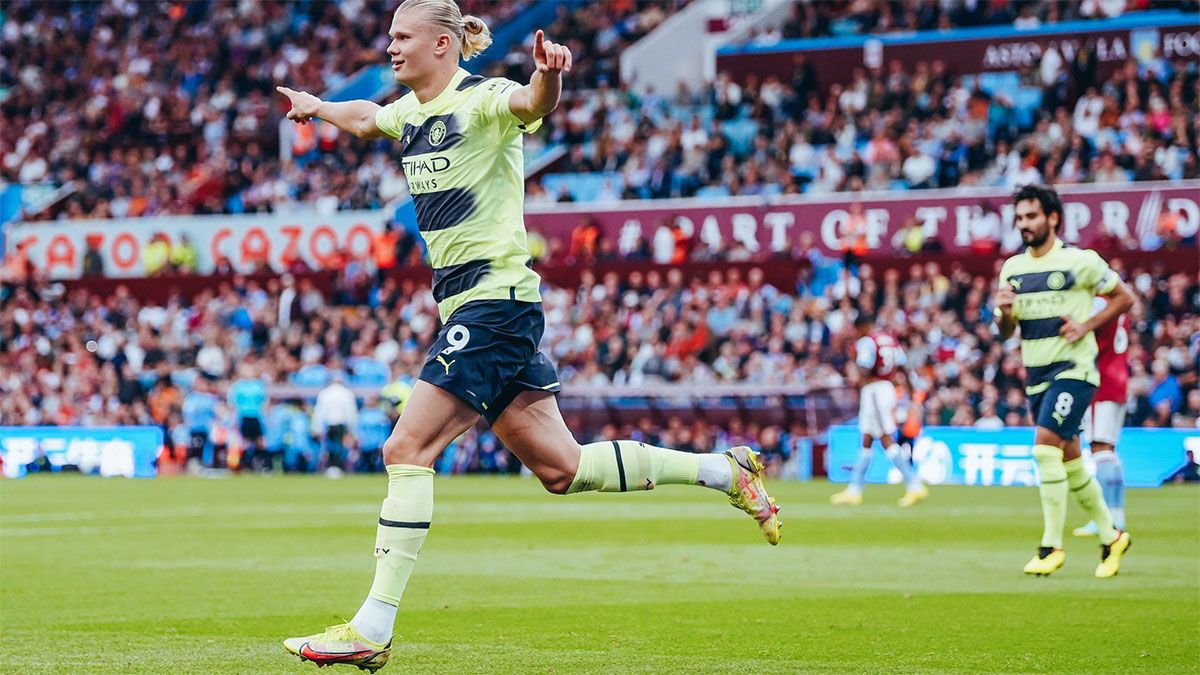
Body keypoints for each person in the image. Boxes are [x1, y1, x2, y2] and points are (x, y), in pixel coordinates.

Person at [276, 2, 780, 670]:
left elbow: (530, 102)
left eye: (402, 37)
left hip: (494, 306)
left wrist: (550, 76)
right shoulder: (410, 112)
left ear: (443, 43)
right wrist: (317, 106)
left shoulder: (482, 99)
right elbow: (368, 117)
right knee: (562, 468)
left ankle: (372, 628)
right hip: (482, 308)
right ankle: (725, 470)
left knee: (406, 446)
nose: (390, 47)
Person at [994, 184, 1135, 578]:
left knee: (1044, 448)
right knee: (1071, 463)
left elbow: (1125, 297)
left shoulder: (1080, 261)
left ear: (1052, 218)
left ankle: (1051, 546)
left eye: (1031, 216)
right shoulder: (1012, 269)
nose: (1024, 224)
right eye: (1019, 218)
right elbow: (1007, 332)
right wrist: (1004, 314)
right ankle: (1111, 536)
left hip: (1074, 370)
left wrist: (1086, 325)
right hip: (1036, 374)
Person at [830, 314, 928, 507]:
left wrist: (853, 358)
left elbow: (865, 369)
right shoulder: (889, 339)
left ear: (862, 327)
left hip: (875, 389)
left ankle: (914, 484)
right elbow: (903, 367)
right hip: (885, 388)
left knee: (886, 438)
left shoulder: (867, 342)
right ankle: (854, 489)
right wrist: (910, 393)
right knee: (866, 439)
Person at [1074, 297, 1131, 537]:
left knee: (1100, 450)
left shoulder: (1098, 303)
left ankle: (1104, 519)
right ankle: (1117, 517)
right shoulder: (1119, 303)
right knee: (1109, 450)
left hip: (1102, 382)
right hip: (1119, 379)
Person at [228, 363, 269, 472]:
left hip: (257, 417)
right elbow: (232, 403)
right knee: (245, 442)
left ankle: (263, 464)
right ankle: (246, 464)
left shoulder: (258, 385)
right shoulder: (238, 386)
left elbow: (264, 401)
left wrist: (265, 416)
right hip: (243, 417)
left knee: (260, 441)